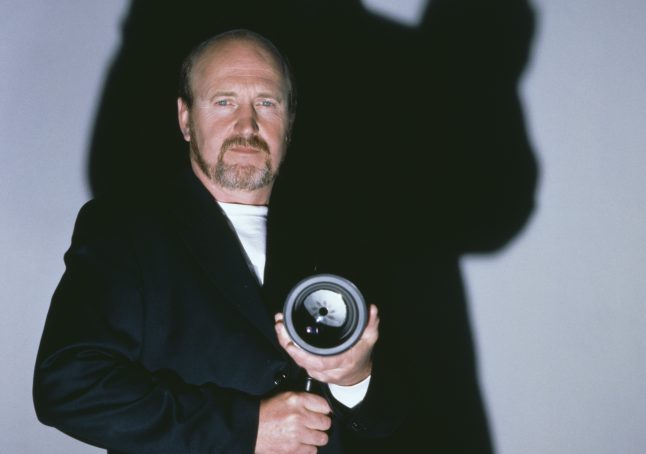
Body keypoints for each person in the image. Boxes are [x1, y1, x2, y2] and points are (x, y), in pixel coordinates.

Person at [33, 29, 402, 454]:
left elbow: (392, 413)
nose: (247, 124)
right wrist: (246, 428)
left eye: (266, 103)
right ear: (186, 119)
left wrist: (356, 376)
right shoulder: (125, 228)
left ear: (291, 120)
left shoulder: (342, 235)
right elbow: (68, 385)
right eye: (224, 101)